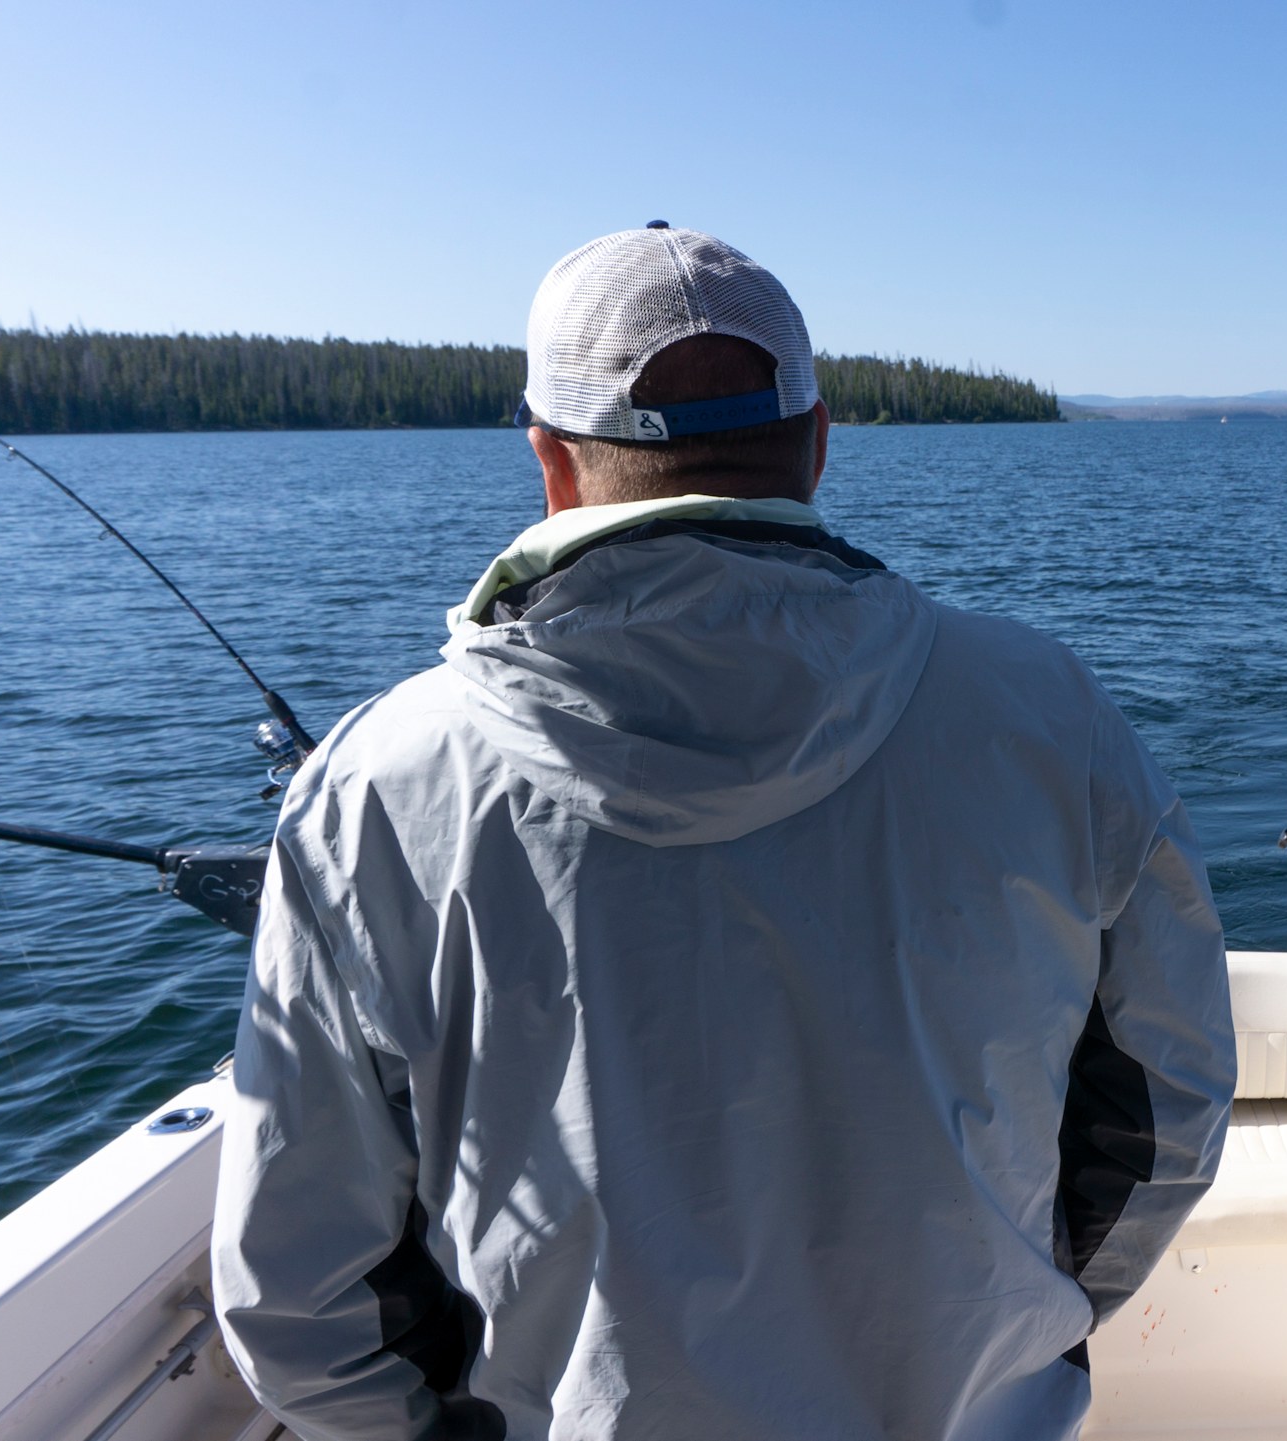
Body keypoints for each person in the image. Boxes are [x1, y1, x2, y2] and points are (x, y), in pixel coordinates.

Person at [210, 225, 1235, 1441]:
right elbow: (1167, 1107)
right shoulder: (1047, 715)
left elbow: (296, 1296)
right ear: (815, 446)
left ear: (549, 463)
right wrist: (1018, 1320)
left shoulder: (372, 785)